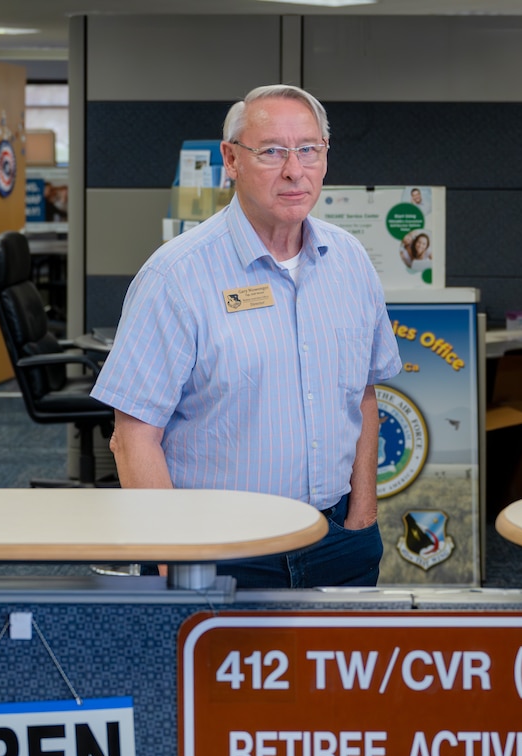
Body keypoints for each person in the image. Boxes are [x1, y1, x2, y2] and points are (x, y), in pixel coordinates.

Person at [91, 84, 401, 588]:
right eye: (272, 151)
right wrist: (173, 563)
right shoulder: (176, 276)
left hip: (338, 538)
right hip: (217, 546)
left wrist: (362, 514)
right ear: (231, 160)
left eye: (308, 149)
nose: (294, 170)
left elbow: (363, 395)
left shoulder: (351, 262)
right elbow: (133, 438)